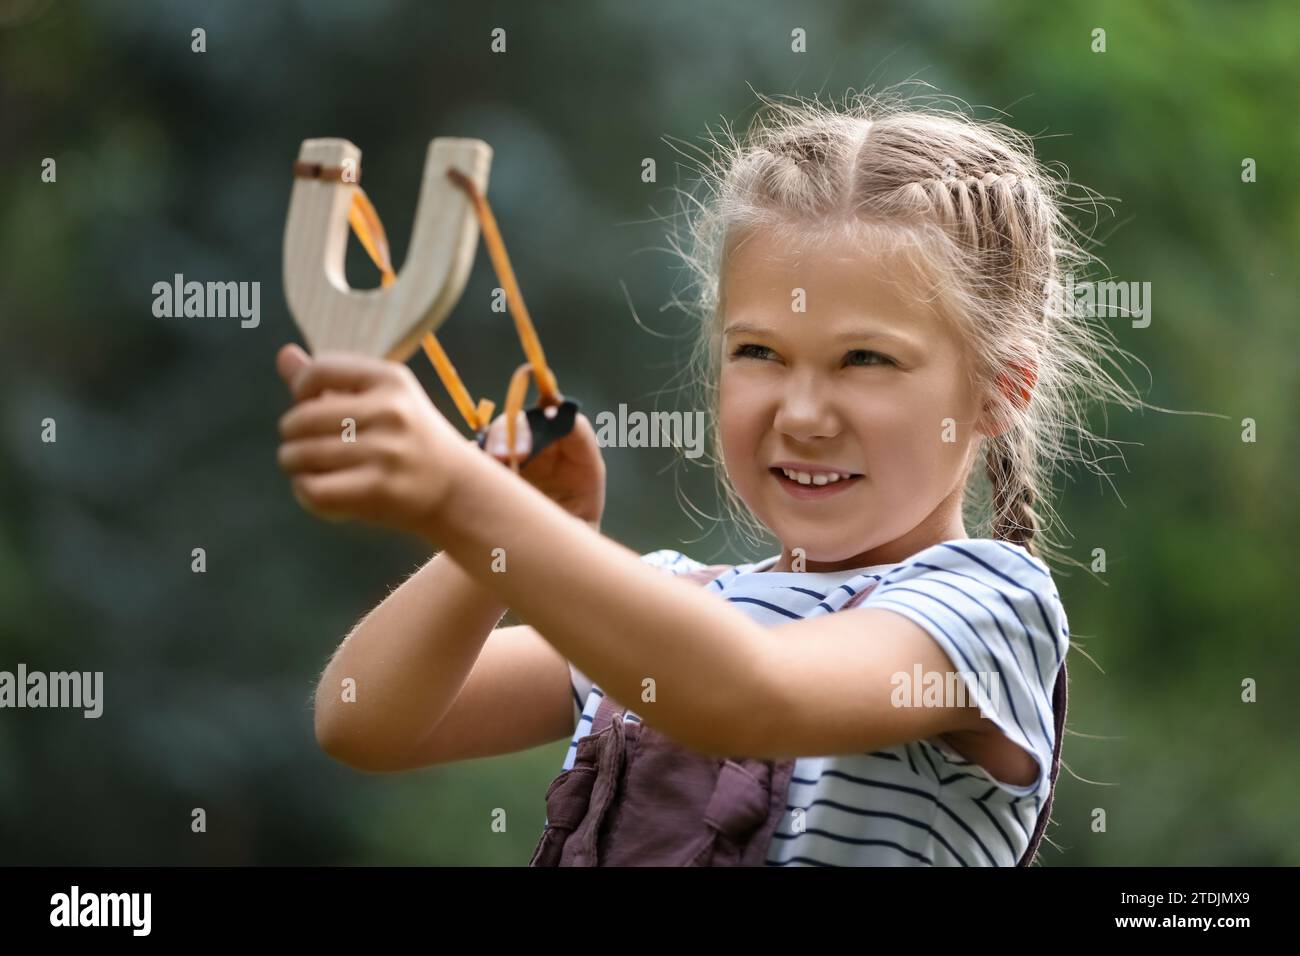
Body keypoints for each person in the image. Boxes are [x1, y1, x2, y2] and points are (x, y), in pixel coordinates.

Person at [275, 89, 1142, 865]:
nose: (801, 413)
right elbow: (363, 720)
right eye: (759, 352)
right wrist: (487, 542)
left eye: (865, 359)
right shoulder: (666, 604)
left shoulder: (987, 608)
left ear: (999, 391)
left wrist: (467, 500)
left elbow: (748, 697)